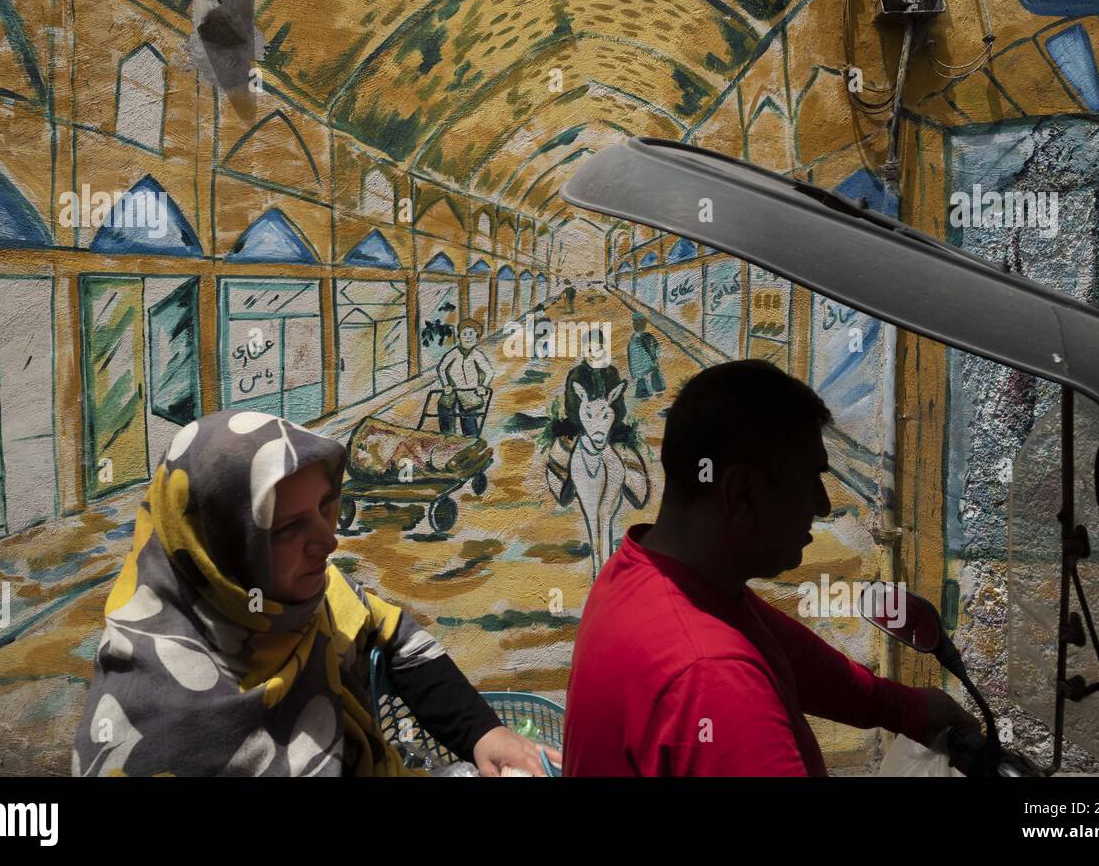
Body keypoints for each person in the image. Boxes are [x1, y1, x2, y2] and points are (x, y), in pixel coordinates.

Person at [72, 409, 555, 776]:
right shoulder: (150, 724)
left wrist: (483, 733)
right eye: (286, 528)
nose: (329, 541)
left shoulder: (301, 599)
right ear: (219, 549)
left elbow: (394, 634)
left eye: (326, 506)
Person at [561, 360, 977, 776]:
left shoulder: (646, 572)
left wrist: (906, 708)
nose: (822, 504)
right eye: (810, 480)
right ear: (742, 493)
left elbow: (799, 660)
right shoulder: (713, 677)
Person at [435, 319, 493, 436]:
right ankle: (447, 437)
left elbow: (489, 371)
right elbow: (441, 368)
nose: (468, 337)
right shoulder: (454, 353)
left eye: (471, 334)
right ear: (459, 337)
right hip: (453, 390)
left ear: (477, 337)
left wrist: (483, 386)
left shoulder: (477, 355)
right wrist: (446, 385)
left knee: (469, 417)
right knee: (444, 408)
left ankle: (471, 439)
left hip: (469, 392)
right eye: (464, 334)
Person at [626, 312, 665, 398]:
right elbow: (656, 347)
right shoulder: (633, 340)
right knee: (646, 377)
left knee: (653, 375)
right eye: (635, 322)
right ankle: (647, 393)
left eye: (638, 322)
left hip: (644, 365)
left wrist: (655, 356)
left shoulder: (643, 337)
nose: (635, 324)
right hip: (641, 365)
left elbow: (655, 347)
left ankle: (657, 390)